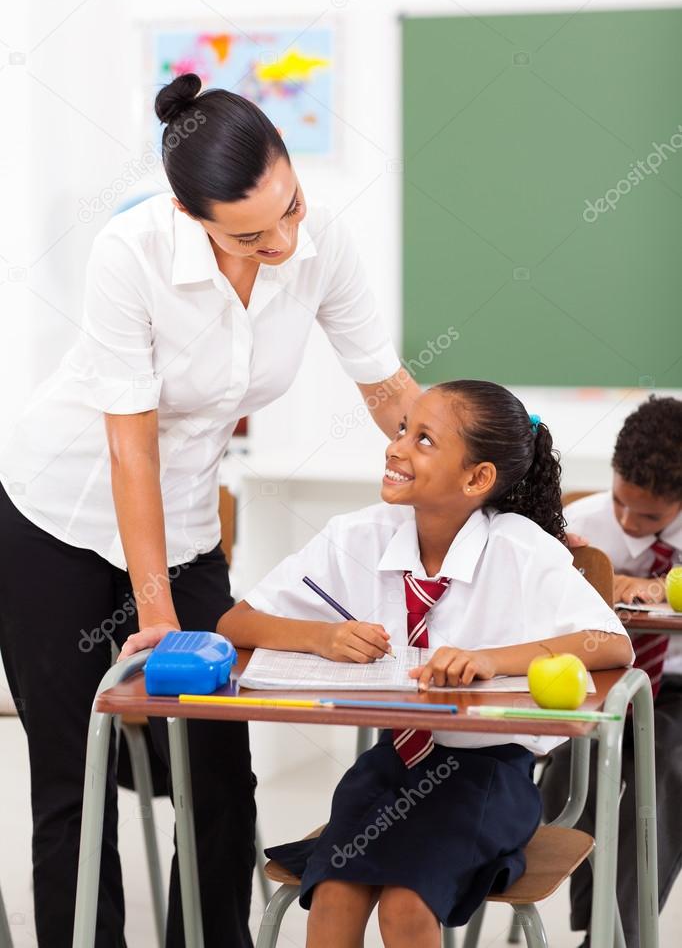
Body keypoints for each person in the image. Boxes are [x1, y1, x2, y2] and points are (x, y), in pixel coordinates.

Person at [0, 73, 418, 947]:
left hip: (184, 523)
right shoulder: (132, 253)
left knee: (222, 773)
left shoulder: (320, 242)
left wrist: (462, 454)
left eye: (292, 207)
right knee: (74, 776)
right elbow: (130, 446)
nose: (286, 239)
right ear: (193, 216)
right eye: (253, 233)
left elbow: (385, 387)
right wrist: (155, 617)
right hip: (57, 517)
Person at [211, 380, 633, 946]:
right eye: (404, 427)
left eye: (425, 439)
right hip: (390, 768)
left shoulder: (518, 547)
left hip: (487, 776)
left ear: (477, 479)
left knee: (407, 905)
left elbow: (609, 643)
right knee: (332, 898)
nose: (397, 445)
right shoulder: (359, 535)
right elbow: (235, 623)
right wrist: (320, 635)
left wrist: (489, 659)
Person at [541, 395, 682, 948]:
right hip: (596, 684)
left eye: (648, 515)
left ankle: (612, 937)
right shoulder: (579, 527)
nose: (627, 521)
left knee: (668, 764)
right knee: (574, 762)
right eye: (621, 500)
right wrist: (603, 585)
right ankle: (604, 926)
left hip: (672, 689)